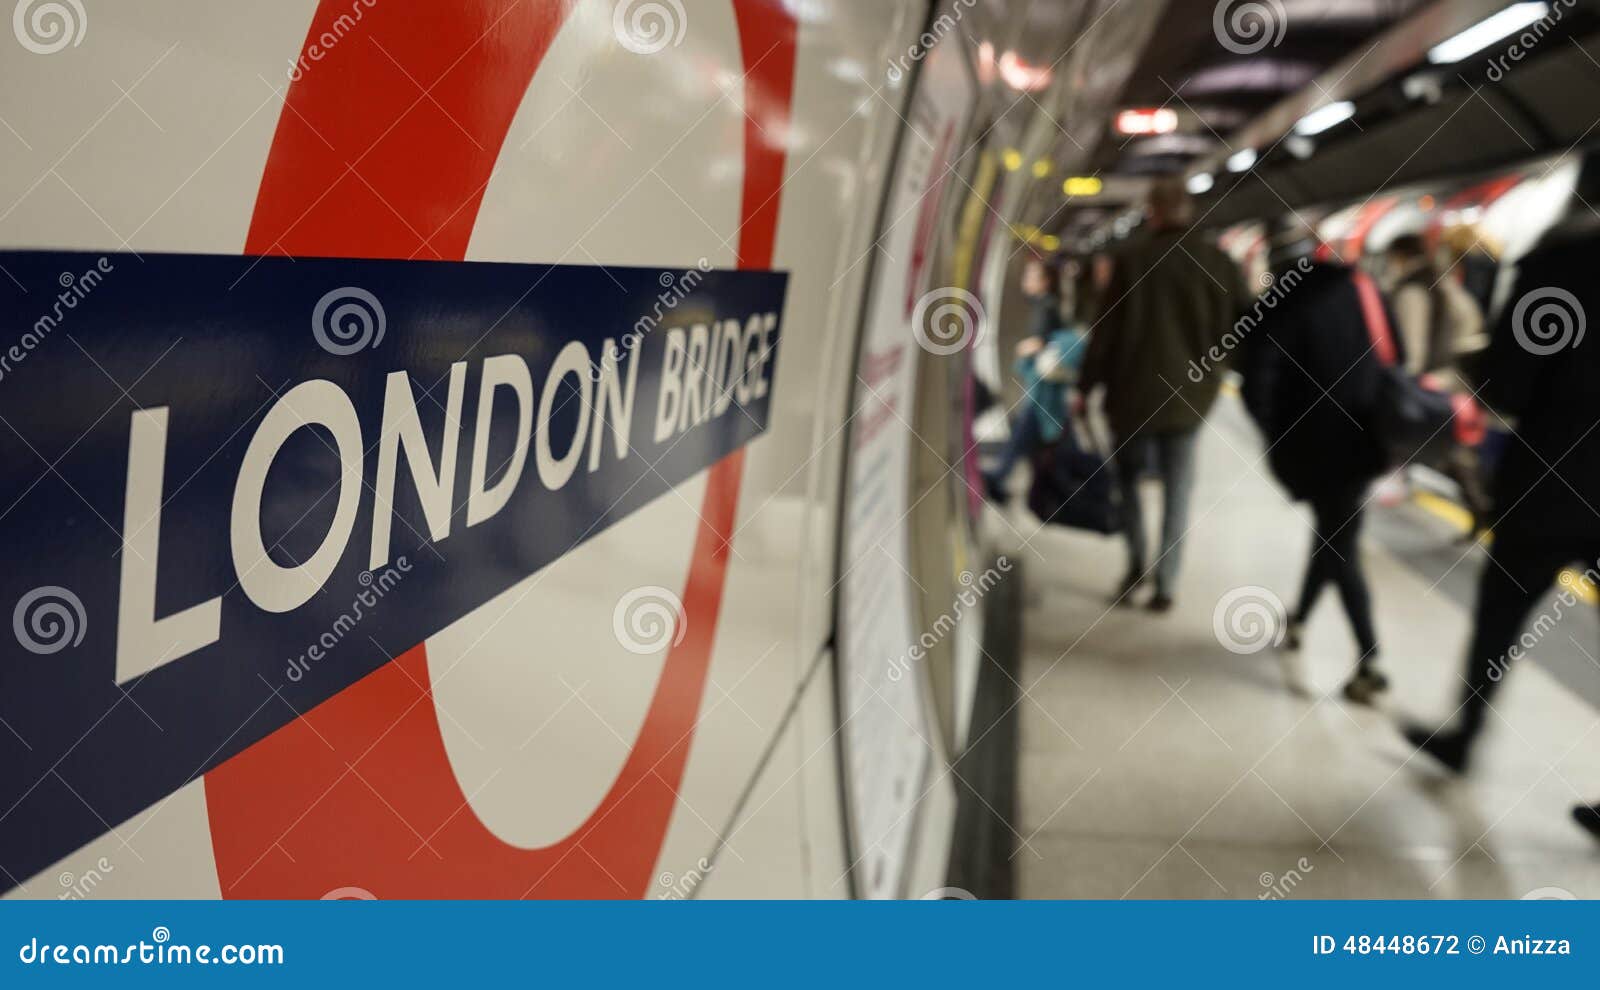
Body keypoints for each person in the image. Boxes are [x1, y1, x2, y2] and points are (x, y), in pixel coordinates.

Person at [1405, 154, 1600, 844]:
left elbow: (1508, 388)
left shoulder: (1559, 265)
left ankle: (1467, 736)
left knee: (1501, 615)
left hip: (1552, 479)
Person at [1239, 226, 1396, 703]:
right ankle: (1300, 620)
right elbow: (1398, 354)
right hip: (1367, 440)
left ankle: (1370, 661)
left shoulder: (1280, 304)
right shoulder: (1363, 289)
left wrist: (1276, 433)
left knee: (1339, 547)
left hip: (1313, 447)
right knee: (1334, 533)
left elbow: (1255, 381)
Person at [1079, 177, 1245, 611]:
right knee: (1178, 490)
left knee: (1129, 483)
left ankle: (1135, 568)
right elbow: (1245, 326)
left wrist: (1085, 386)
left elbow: (1105, 334)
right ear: (1187, 210)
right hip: (1192, 399)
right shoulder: (1217, 261)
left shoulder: (1130, 261)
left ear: (1151, 212)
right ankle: (1167, 585)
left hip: (1131, 397)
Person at [1385, 233, 1492, 537]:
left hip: (1429, 384)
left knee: (1445, 448)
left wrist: (1409, 383)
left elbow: (1411, 345)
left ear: (1400, 256)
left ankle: (1480, 507)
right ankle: (1480, 507)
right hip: (1451, 379)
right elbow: (1471, 323)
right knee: (1456, 449)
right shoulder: (1443, 282)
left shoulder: (1411, 290)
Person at [983, 257, 1086, 501]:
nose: (1025, 281)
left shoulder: (1044, 306)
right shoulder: (1053, 304)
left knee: (1031, 432)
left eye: (1031, 276)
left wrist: (1022, 348)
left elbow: (1038, 342)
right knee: (1050, 434)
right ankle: (1073, 481)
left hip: (1044, 387)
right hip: (1049, 387)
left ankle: (999, 477)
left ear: (1045, 281)